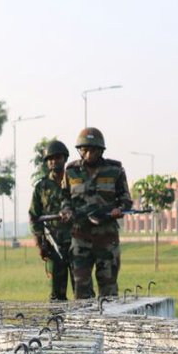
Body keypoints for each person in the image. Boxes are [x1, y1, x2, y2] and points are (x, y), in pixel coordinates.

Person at [58, 127, 132, 299]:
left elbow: (126, 200)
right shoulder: (71, 172)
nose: (88, 154)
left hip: (106, 237)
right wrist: (66, 211)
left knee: (108, 288)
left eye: (92, 150)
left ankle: (109, 324)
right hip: (80, 237)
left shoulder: (115, 171)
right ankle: (84, 325)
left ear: (100, 150)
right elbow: (64, 198)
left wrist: (119, 210)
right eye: (84, 149)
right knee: (81, 287)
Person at [29, 139, 73, 301]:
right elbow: (34, 216)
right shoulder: (41, 187)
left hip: (77, 244)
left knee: (83, 293)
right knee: (56, 295)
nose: (54, 161)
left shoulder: (75, 181)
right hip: (54, 246)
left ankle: (82, 325)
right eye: (50, 159)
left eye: (57, 157)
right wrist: (40, 244)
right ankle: (56, 325)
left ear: (65, 158)